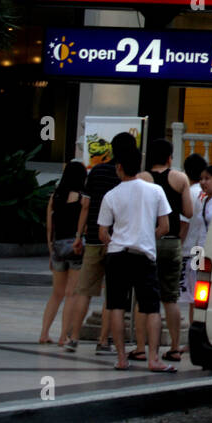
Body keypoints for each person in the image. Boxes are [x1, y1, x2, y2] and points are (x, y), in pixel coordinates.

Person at [97, 141, 176, 373]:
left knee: (117, 307)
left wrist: (115, 241)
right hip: (144, 254)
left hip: (117, 256)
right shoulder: (155, 191)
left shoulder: (111, 195)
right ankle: (154, 358)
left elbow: (103, 232)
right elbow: (165, 226)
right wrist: (146, 237)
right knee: (151, 308)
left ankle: (122, 358)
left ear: (119, 167)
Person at [64, 132, 135, 356]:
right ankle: (104, 342)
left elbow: (85, 205)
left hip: (94, 237)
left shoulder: (97, 170)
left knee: (83, 291)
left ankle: (73, 338)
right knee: (112, 294)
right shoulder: (130, 178)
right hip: (118, 241)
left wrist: (79, 235)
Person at [132, 138, 193, 364]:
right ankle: (175, 348)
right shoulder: (180, 178)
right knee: (170, 297)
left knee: (143, 298)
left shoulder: (141, 179)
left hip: (147, 241)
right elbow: (188, 210)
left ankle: (140, 347)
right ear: (170, 157)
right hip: (171, 243)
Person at [40, 160, 86, 347]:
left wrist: (51, 251)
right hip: (75, 247)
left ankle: (44, 333)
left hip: (58, 246)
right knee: (71, 294)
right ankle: (63, 337)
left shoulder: (55, 197)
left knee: (56, 293)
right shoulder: (83, 199)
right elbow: (83, 226)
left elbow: (50, 228)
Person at [180, 164, 212, 350]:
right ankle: (194, 336)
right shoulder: (203, 198)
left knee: (211, 294)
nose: (204, 182)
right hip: (199, 250)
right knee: (195, 294)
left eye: (208, 179)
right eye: (202, 179)